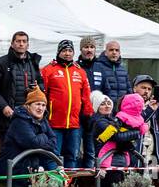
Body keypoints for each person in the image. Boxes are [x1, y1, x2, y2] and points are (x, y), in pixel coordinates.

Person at [40, 39, 93, 170]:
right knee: (53, 155)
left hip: (74, 123)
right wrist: (43, 115)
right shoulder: (48, 70)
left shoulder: (80, 71)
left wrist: (88, 113)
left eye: (70, 51)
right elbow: (42, 94)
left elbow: (86, 95)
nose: (67, 53)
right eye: (64, 50)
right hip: (54, 123)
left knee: (72, 155)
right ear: (59, 52)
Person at [0, 30, 43, 140]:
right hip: (7, 117)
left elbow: (40, 83)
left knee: (27, 153)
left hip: (29, 117)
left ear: (28, 44)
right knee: (7, 154)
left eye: (24, 41)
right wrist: (3, 107)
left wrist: (37, 89)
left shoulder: (33, 62)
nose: (21, 44)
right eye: (18, 41)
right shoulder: (0, 63)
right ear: (12, 44)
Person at [77, 37, 100, 166]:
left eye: (92, 47)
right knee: (75, 151)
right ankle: (73, 183)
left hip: (95, 117)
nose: (89, 50)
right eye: (86, 47)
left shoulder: (100, 66)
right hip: (78, 116)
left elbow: (106, 90)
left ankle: (91, 183)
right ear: (81, 49)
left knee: (91, 151)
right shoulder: (75, 67)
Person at [90, 40, 131, 108]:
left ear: (119, 53)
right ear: (105, 52)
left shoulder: (123, 70)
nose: (114, 52)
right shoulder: (97, 67)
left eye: (116, 50)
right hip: (104, 108)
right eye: (111, 50)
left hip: (121, 109)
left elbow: (129, 91)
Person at [131, 75, 159, 163]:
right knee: (135, 176)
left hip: (152, 151)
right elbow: (137, 122)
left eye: (149, 89)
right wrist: (150, 109)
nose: (146, 91)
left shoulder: (154, 104)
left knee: (154, 176)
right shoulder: (128, 102)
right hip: (137, 150)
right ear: (134, 88)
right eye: (143, 88)